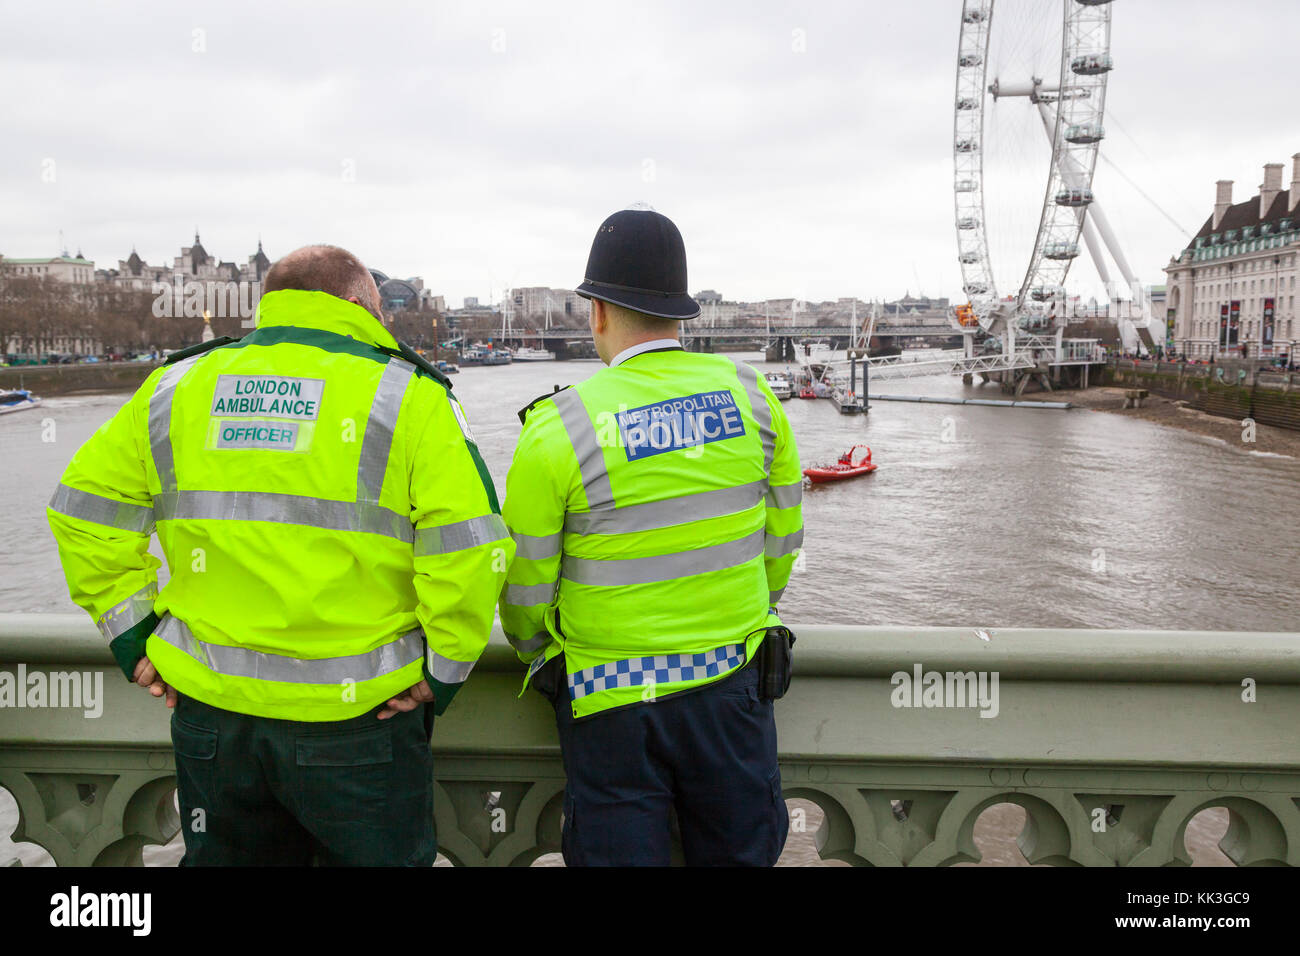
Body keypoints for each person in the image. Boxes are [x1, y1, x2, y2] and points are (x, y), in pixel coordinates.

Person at [47, 245, 512, 865]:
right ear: (356, 306)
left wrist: (135, 636)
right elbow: (472, 549)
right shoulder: (407, 395)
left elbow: (82, 511)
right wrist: (442, 673)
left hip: (213, 717)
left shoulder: (177, 385)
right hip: (360, 723)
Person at [499, 207, 803, 866]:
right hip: (730, 686)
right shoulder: (755, 400)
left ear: (598, 313)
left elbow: (523, 587)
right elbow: (783, 542)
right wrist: (747, 611)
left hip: (610, 703)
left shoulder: (559, 428)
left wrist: (538, 653)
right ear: (681, 313)